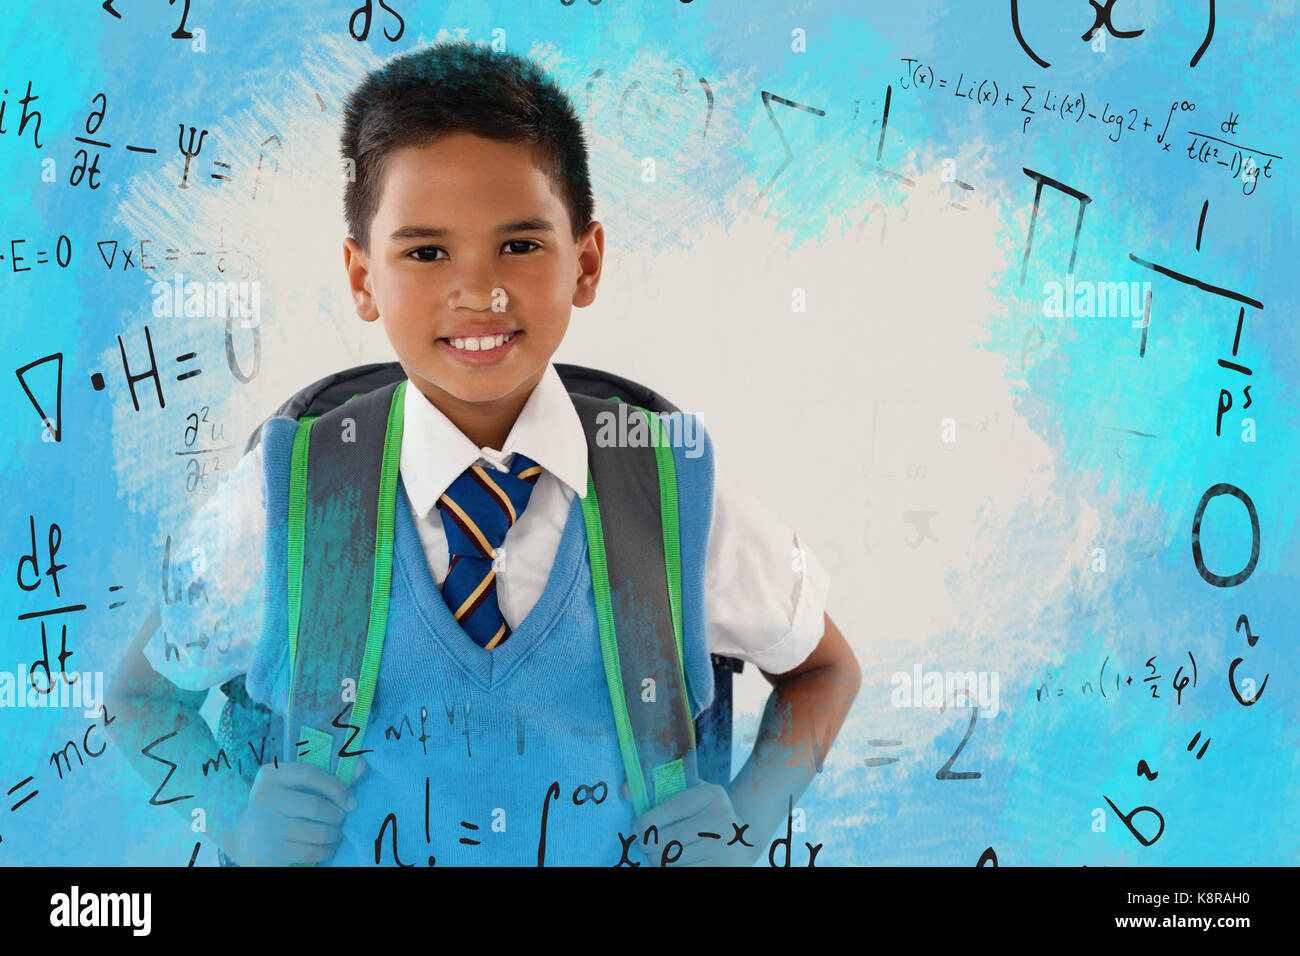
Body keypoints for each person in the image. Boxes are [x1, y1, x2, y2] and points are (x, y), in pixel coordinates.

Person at [107, 40, 860, 866]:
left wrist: (746, 828)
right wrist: (236, 822)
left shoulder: (671, 490)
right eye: (426, 252)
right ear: (362, 278)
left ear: (588, 261)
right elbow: (140, 698)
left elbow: (824, 671)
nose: (479, 290)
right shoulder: (281, 499)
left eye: (521, 245)